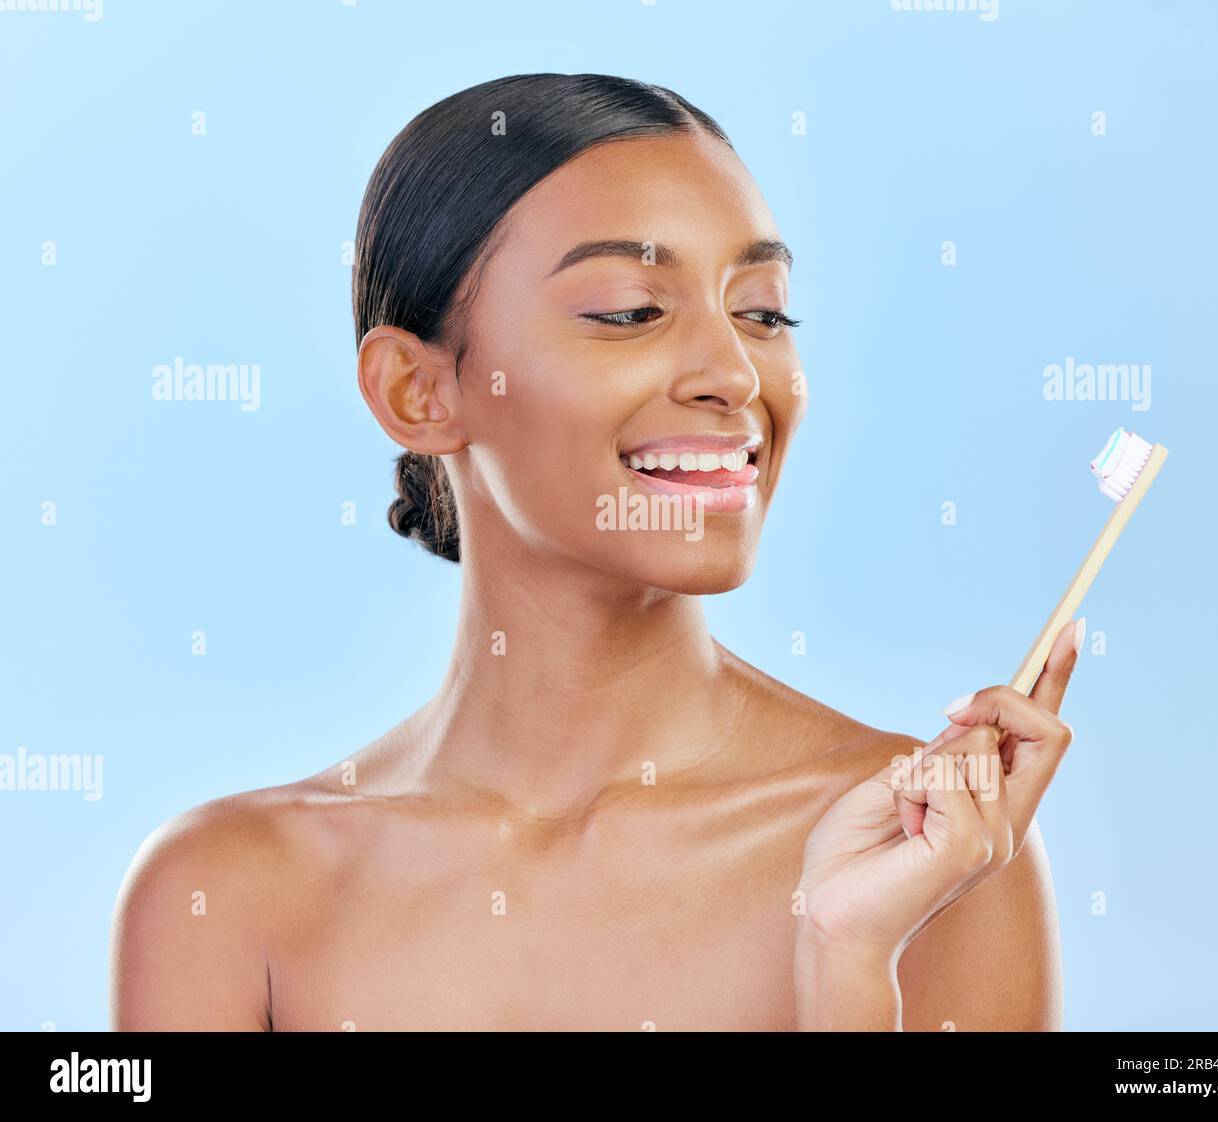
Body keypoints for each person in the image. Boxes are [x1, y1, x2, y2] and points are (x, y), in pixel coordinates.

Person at [110, 73, 1079, 1031]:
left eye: (764, 312)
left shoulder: (932, 848)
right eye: (628, 311)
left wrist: (846, 960)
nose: (735, 374)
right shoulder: (224, 892)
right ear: (419, 392)